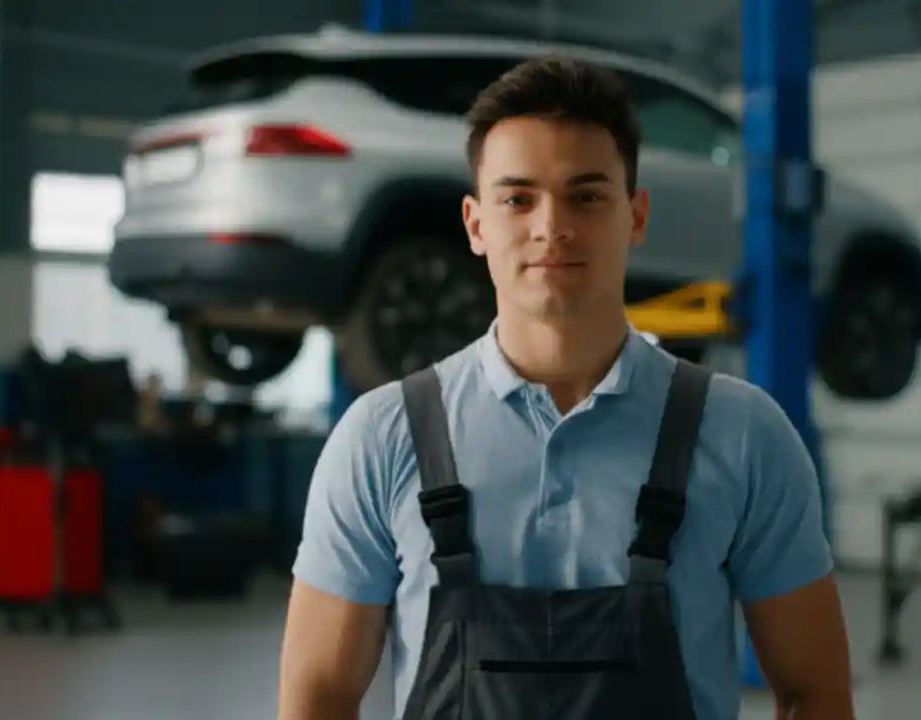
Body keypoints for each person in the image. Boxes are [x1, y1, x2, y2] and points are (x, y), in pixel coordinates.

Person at [278, 55, 854, 720]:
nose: (552, 226)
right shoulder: (383, 438)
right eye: (518, 198)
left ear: (635, 216)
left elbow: (816, 695)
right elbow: (316, 697)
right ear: (475, 224)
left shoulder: (744, 434)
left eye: (586, 195)